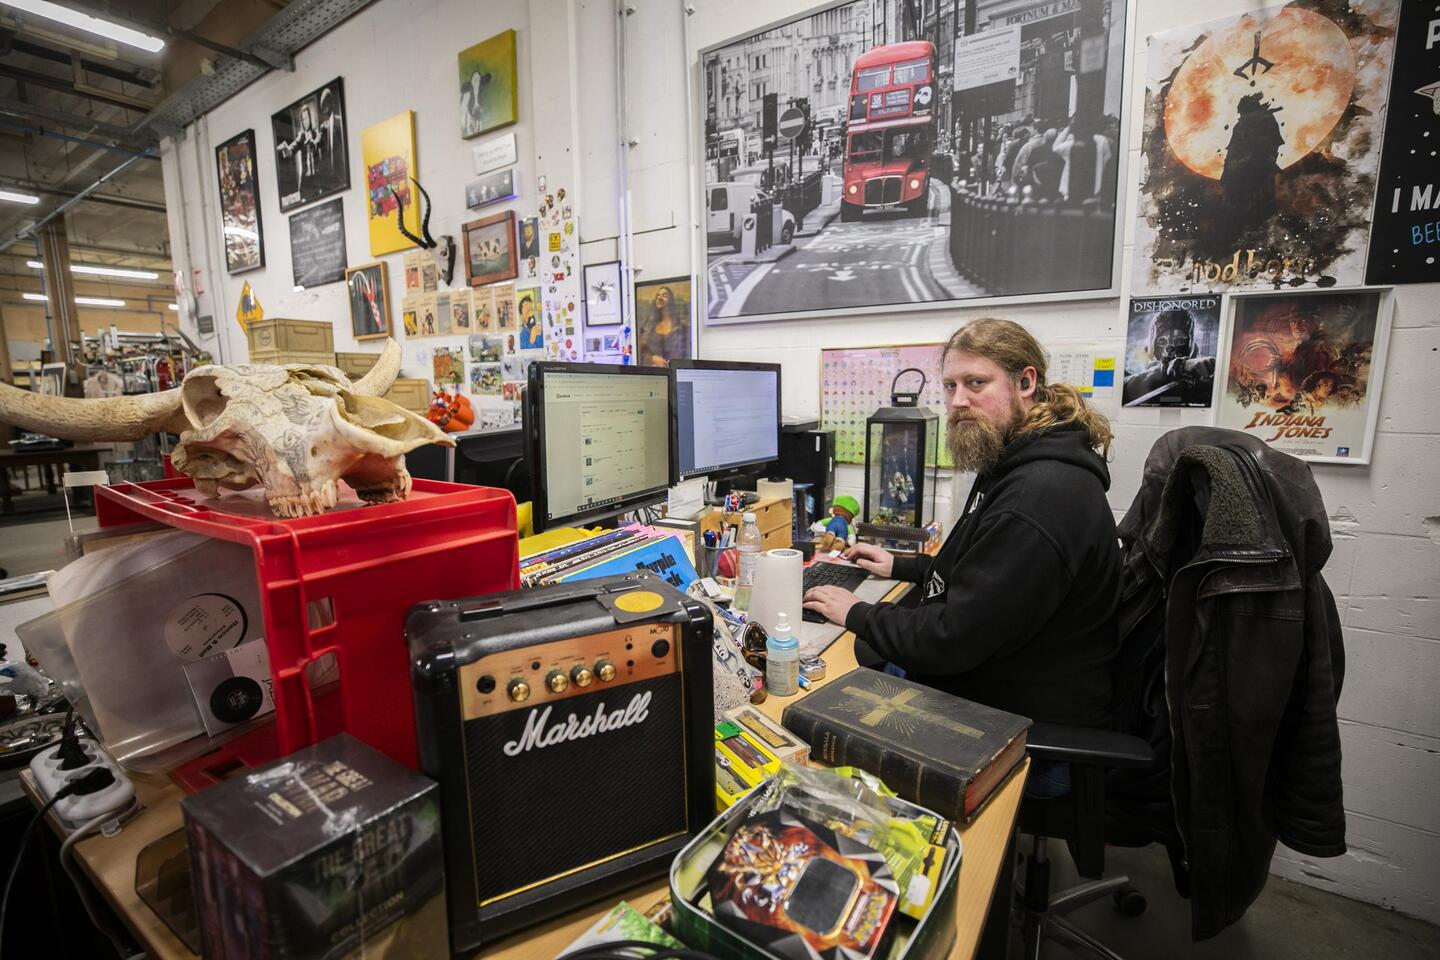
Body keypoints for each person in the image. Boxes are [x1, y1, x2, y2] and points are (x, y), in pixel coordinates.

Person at [803, 318, 1122, 769]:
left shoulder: (1038, 497)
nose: (958, 402)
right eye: (950, 385)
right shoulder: (1014, 460)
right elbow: (976, 566)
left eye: (976, 383)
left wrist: (854, 611)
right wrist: (899, 567)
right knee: (857, 654)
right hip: (997, 681)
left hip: (1015, 724)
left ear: (1025, 381)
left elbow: (951, 640)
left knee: (806, 711)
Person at [1122, 307, 1216, 406]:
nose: (1170, 348)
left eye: (1180, 341)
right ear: (1152, 345)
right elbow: (1123, 389)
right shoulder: (1138, 379)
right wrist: (1180, 367)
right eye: (1162, 341)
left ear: (1191, 345)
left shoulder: (1204, 380)